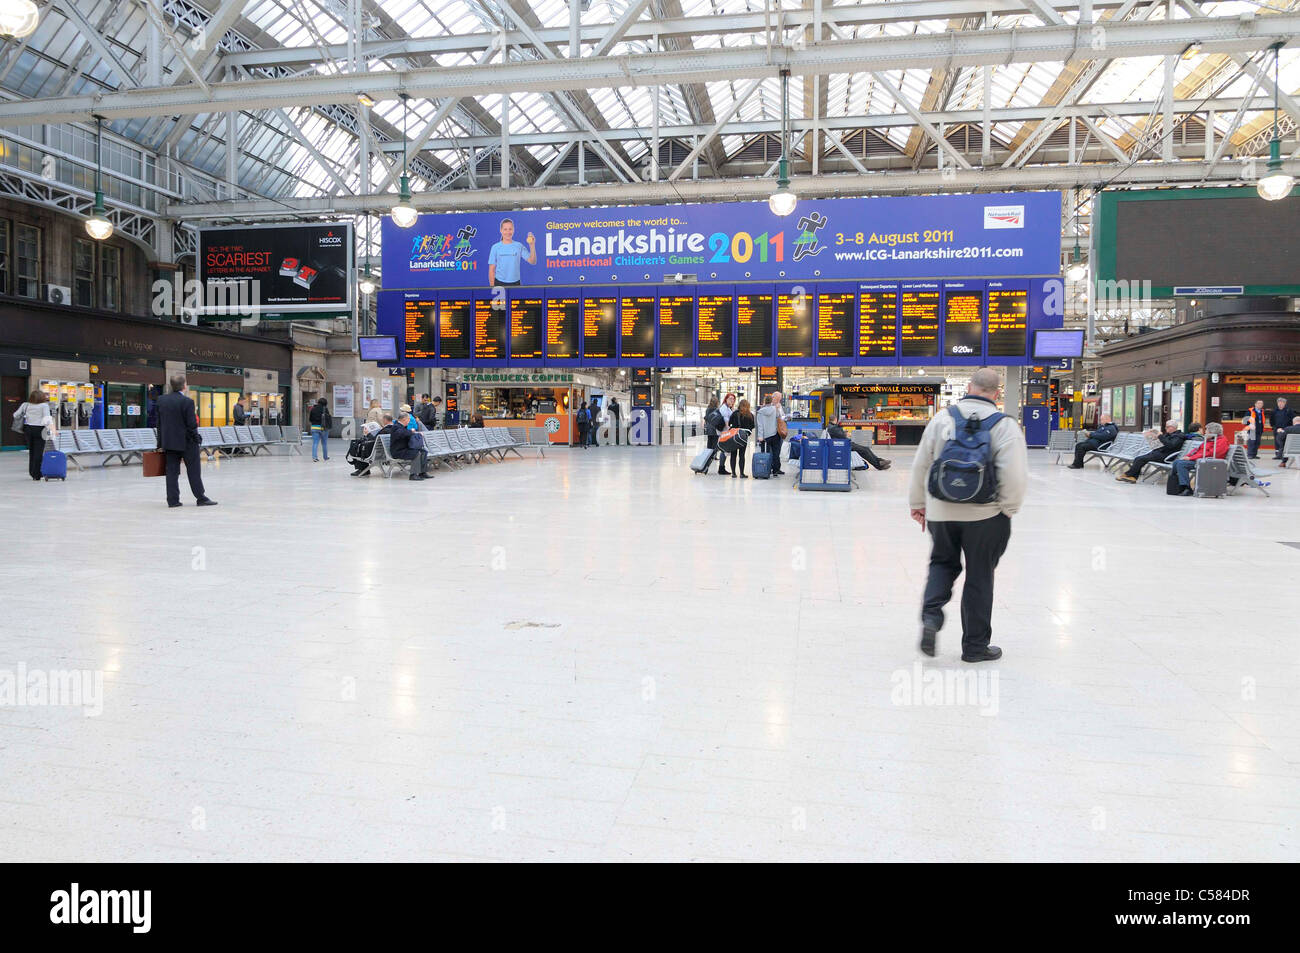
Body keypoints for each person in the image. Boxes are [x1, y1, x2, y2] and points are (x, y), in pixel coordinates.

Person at [909, 367, 1027, 663]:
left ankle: (931, 617)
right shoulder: (1005, 425)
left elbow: (921, 464)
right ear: (997, 393)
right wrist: (1007, 510)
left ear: (969, 387)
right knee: (979, 576)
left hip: (941, 511)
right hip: (986, 516)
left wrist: (918, 504)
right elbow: (1014, 475)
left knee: (942, 563)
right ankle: (974, 648)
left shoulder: (942, 418)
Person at [157, 375, 216, 508]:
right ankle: (200, 497)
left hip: (170, 443)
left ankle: (173, 500)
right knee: (193, 471)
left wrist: (160, 444)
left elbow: (159, 424)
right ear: (184, 386)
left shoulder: (161, 400)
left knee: (171, 472)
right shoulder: (187, 402)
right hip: (187, 443)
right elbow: (191, 425)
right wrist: (196, 439)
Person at [1115, 419, 1188, 483]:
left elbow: (1171, 445)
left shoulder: (1179, 436)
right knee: (1139, 458)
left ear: (1172, 427)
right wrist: (1153, 437)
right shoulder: (1169, 434)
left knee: (1140, 459)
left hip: (1166, 456)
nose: (1166, 428)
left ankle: (1129, 475)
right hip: (1160, 452)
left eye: (1167, 427)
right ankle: (1132, 477)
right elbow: (1162, 442)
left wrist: (1160, 436)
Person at [1170, 421, 1228, 496]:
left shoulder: (1221, 441)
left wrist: (1190, 458)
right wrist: (1188, 456)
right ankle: (1177, 485)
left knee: (1181, 464)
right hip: (1200, 460)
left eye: (1207, 430)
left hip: (1208, 462)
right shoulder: (1210, 440)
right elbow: (1197, 450)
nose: (1205, 432)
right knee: (1177, 462)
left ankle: (1186, 487)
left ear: (1212, 432)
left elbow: (1210, 454)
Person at [14, 388, 55, 481]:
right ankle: (37, 473)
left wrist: (27, 416)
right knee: (39, 452)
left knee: (32, 451)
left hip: (28, 429)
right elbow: (47, 419)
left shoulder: (25, 405)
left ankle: (32, 472)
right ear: (42, 397)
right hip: (40, 429)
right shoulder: (44, 406)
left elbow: (15, 415)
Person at [487, 218, 537, 287]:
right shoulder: (495, 247)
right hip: (499, 283)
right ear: (501, 230)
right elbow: (491, 270)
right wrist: (493, 288)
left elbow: (532, 261)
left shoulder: (519, 246)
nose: (508, 232)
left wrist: (532, 245)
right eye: (505, 229)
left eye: (510, 229)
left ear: (513, 230)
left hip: (516, 283)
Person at [827, 423, 892, 470]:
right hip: (843, 445)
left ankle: (879, 461)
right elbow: (842, 436)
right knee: (864, 450)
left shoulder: (832, 427)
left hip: (844, 444)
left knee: (866, 448)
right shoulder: (832, 427)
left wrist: (842, 431)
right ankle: (878, 465)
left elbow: (840, 435)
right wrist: (843, 432)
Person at [755, 392, 788, 475]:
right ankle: (776, 470)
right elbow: (779, 418)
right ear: (771, 401)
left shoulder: (760, 412)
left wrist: (760, 436)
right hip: (775, 434)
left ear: (764, 402)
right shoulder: (775, 409)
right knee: (776, 453)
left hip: (765, 436)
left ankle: (766, 469)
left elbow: (760, 425)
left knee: (766, 453)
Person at [389, 412, 429, 480]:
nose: (409, 422)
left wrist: (416, 434)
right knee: (416, 453)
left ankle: (422, 473)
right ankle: (413, 475)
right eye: (408, 420)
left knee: (423, 451)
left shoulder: (402, 427)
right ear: (404, 419)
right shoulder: (396, 426)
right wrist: (411, 431)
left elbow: (406, 434)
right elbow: (400, 434)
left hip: (405, 449)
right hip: (398, 451)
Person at [726, 398, 756, 478]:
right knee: (742, 455)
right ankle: (742, 473)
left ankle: (733, 473)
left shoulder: (735, 413)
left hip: (734, 437)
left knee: (733, 455)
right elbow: (753, 426)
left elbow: (729, 424)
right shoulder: (750, 415)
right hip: (743, 438)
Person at [703, 396, 725, 474]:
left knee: (709, 443)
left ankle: (707, 456)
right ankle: (713, 456)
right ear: (716, 402)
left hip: (709, 428)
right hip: (715, 429)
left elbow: (706, 418)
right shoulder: (717, 410)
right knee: (715, 444)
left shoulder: (707, 409)